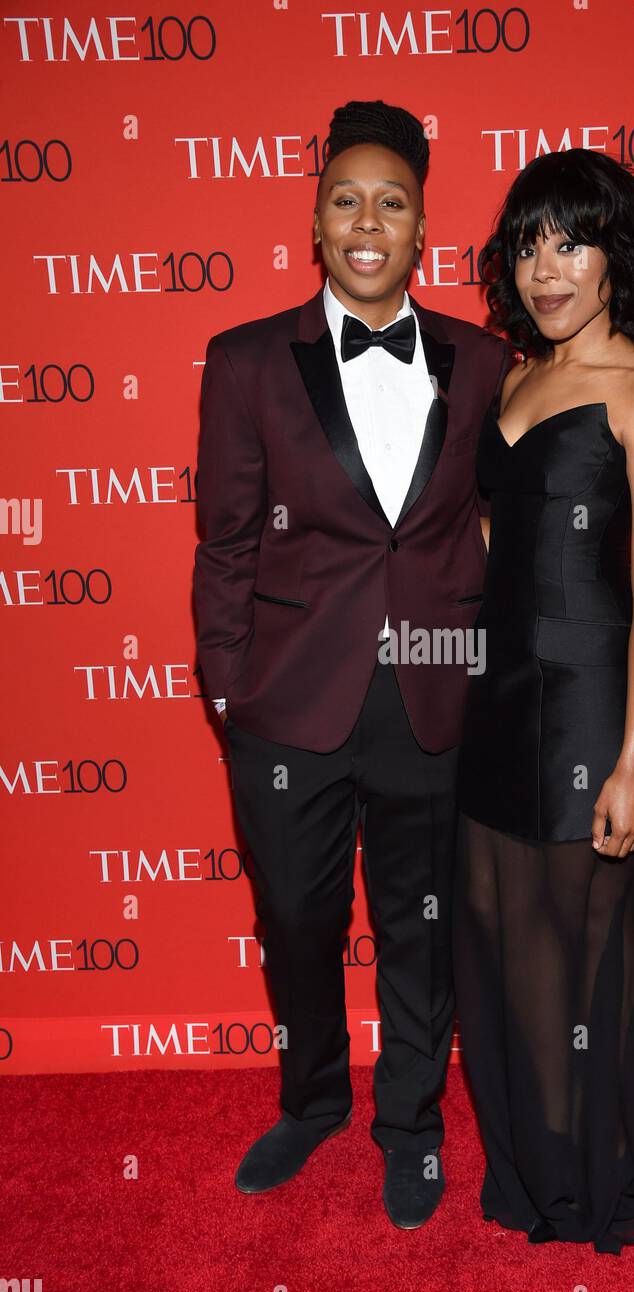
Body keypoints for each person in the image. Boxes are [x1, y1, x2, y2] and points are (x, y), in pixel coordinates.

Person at [192, 100, 510, 1229]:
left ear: (421, 227)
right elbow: (224, 542)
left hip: (433, 695)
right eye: (345, 200)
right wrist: (231, 693)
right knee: (294, 920)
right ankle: (313, 1099)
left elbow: (501, 526)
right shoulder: (244, 360)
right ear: (316, 222)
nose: (367, 222)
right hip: (287, 704)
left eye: (391, 203)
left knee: (422, 926)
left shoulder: (485, 360)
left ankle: (410, 1126)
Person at [453, 148, 634, 1254]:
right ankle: (535, 1163)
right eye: (526, 245)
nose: (545, 269)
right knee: (503, 950)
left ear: (616, 257)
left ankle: (582, 1178)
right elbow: (497, 545)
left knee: (580, 967)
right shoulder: (513, 383)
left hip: (593, 710)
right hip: (497, 706)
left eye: (571, 242)